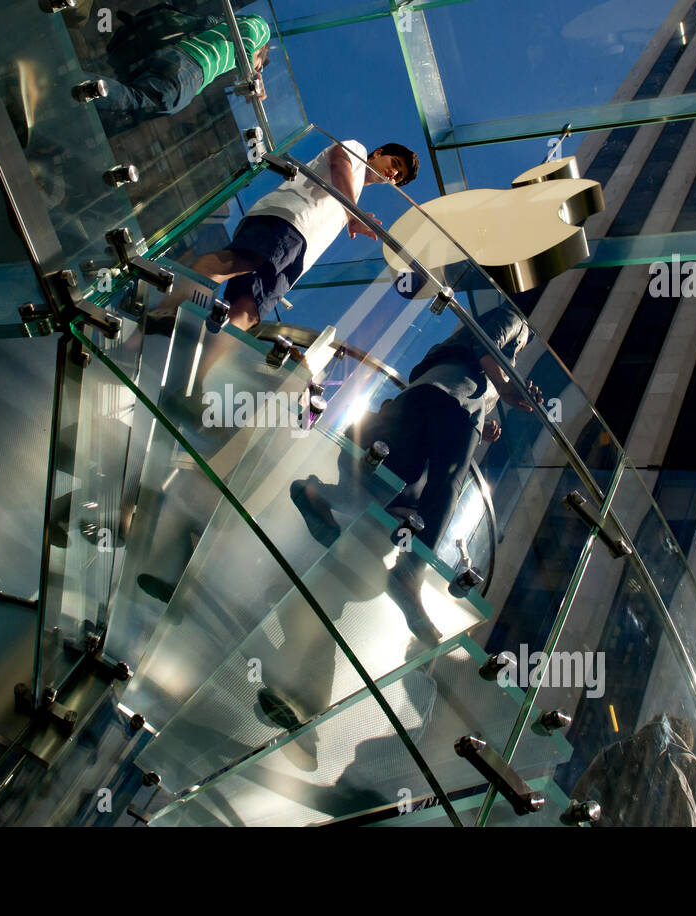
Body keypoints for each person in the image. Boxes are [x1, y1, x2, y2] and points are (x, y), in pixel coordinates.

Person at [290, 304, 541, 643]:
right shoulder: (517, 321)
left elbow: (470, 373)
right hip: (453, 401)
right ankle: (408, 574)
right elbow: (486, 347)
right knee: (446, 486)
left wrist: (485, 423)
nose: (523, 346)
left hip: (429, 394)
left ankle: (316, 493)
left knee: (386, 483)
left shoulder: (466, 355)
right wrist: (507, 387)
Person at [150, 140, 419, 336]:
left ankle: (201, 361)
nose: (393, 173)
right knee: (241, 260)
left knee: (250, 309)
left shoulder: (355, 194)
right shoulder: (358, 151)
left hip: (300, 253)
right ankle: (166, 309)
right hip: (289, 219)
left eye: (399, 177)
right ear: (380, 153)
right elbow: (339, 160)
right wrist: (353, 214)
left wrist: (352, 213)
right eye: (394, 164)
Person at [92, 7, 272, 135]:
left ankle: (84, 96)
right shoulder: (262, 30)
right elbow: (249, 33)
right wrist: (250, 76)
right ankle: (74, 88)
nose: (254, 68)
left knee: (131, 105)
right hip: (189, 70)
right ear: (262, 50)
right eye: (259, 66)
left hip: (178, 60)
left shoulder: (229, 33)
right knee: (133, 99)